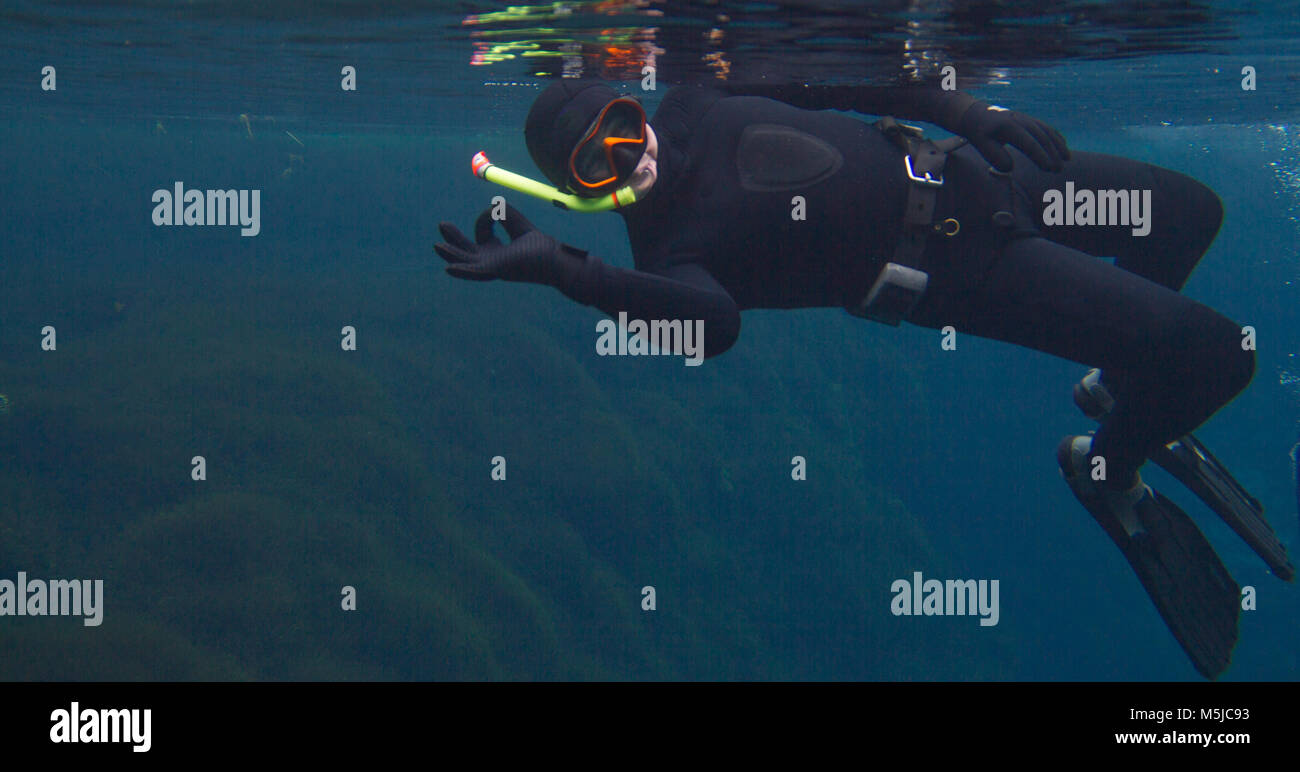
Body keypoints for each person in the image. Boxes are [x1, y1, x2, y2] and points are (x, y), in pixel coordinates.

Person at [435, 79, 1292, 678]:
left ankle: (1121, 384)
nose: (631, 156)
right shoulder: (668, 254)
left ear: (635, 103)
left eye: (624, 125)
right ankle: (1109, 466)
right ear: (573, 187)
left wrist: (965, 108)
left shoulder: (696, 96)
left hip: (985, 172)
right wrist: (561, 269)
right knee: (1222, 357)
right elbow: (713, 328)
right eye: (600, 163)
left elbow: (840, 82)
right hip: (978, 273)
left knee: (1188, 214)